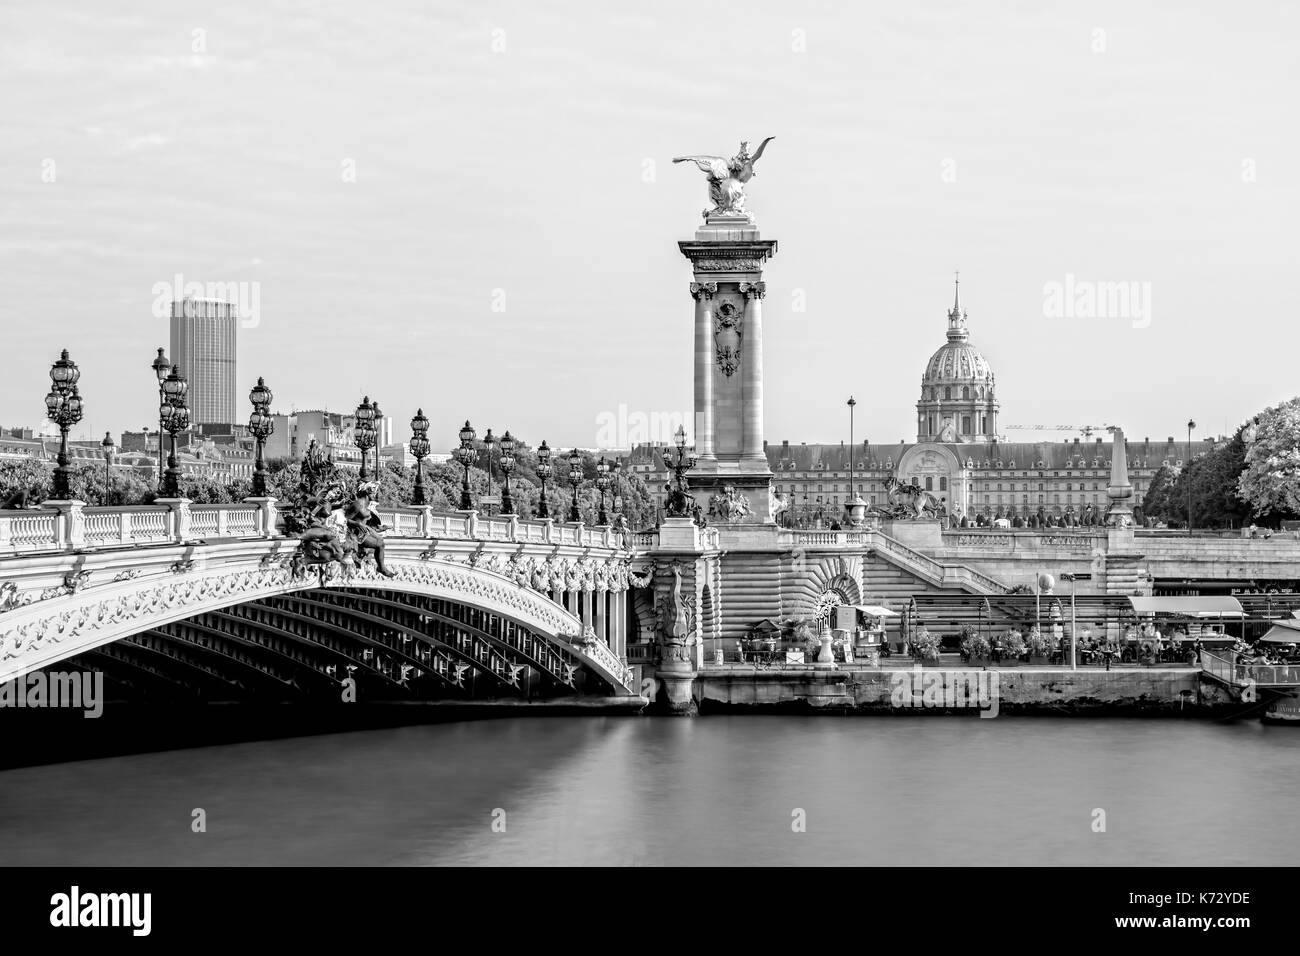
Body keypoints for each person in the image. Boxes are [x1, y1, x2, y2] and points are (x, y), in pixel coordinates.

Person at [344, 485, 395, 576]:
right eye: (373, 492)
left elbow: (366, 522)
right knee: (380, 544)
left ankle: (381, 567)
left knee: (380, 540)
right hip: (356, 533)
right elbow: (345, 519)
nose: (375, 495)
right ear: (366, 492)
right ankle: (381, 568)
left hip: (364, 530)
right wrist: (358, 524)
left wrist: (381, 528)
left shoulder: (367, 505)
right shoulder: (358, 504)